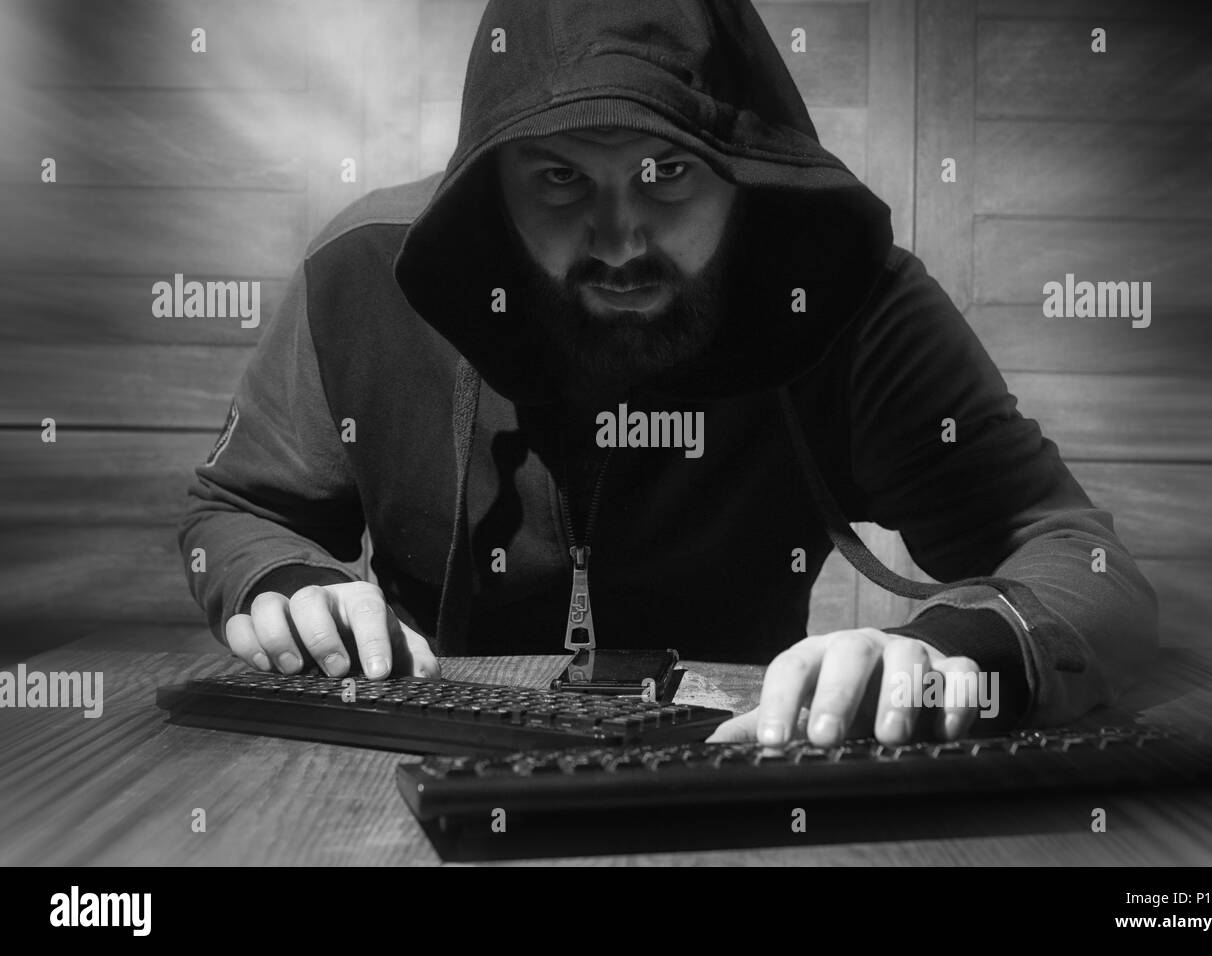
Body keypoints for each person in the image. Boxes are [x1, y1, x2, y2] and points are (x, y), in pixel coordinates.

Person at [179, 0, 1158, 748]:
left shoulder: (846, 297)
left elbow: (1076, 552)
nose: (617, 241)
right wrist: (282, 580)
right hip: (402, 767)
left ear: (745, 172)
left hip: (742, 768)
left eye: (669, 174)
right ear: (489, 185)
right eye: (559, 178)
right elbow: (234, 509)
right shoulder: (364, 277)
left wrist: (959, 654)